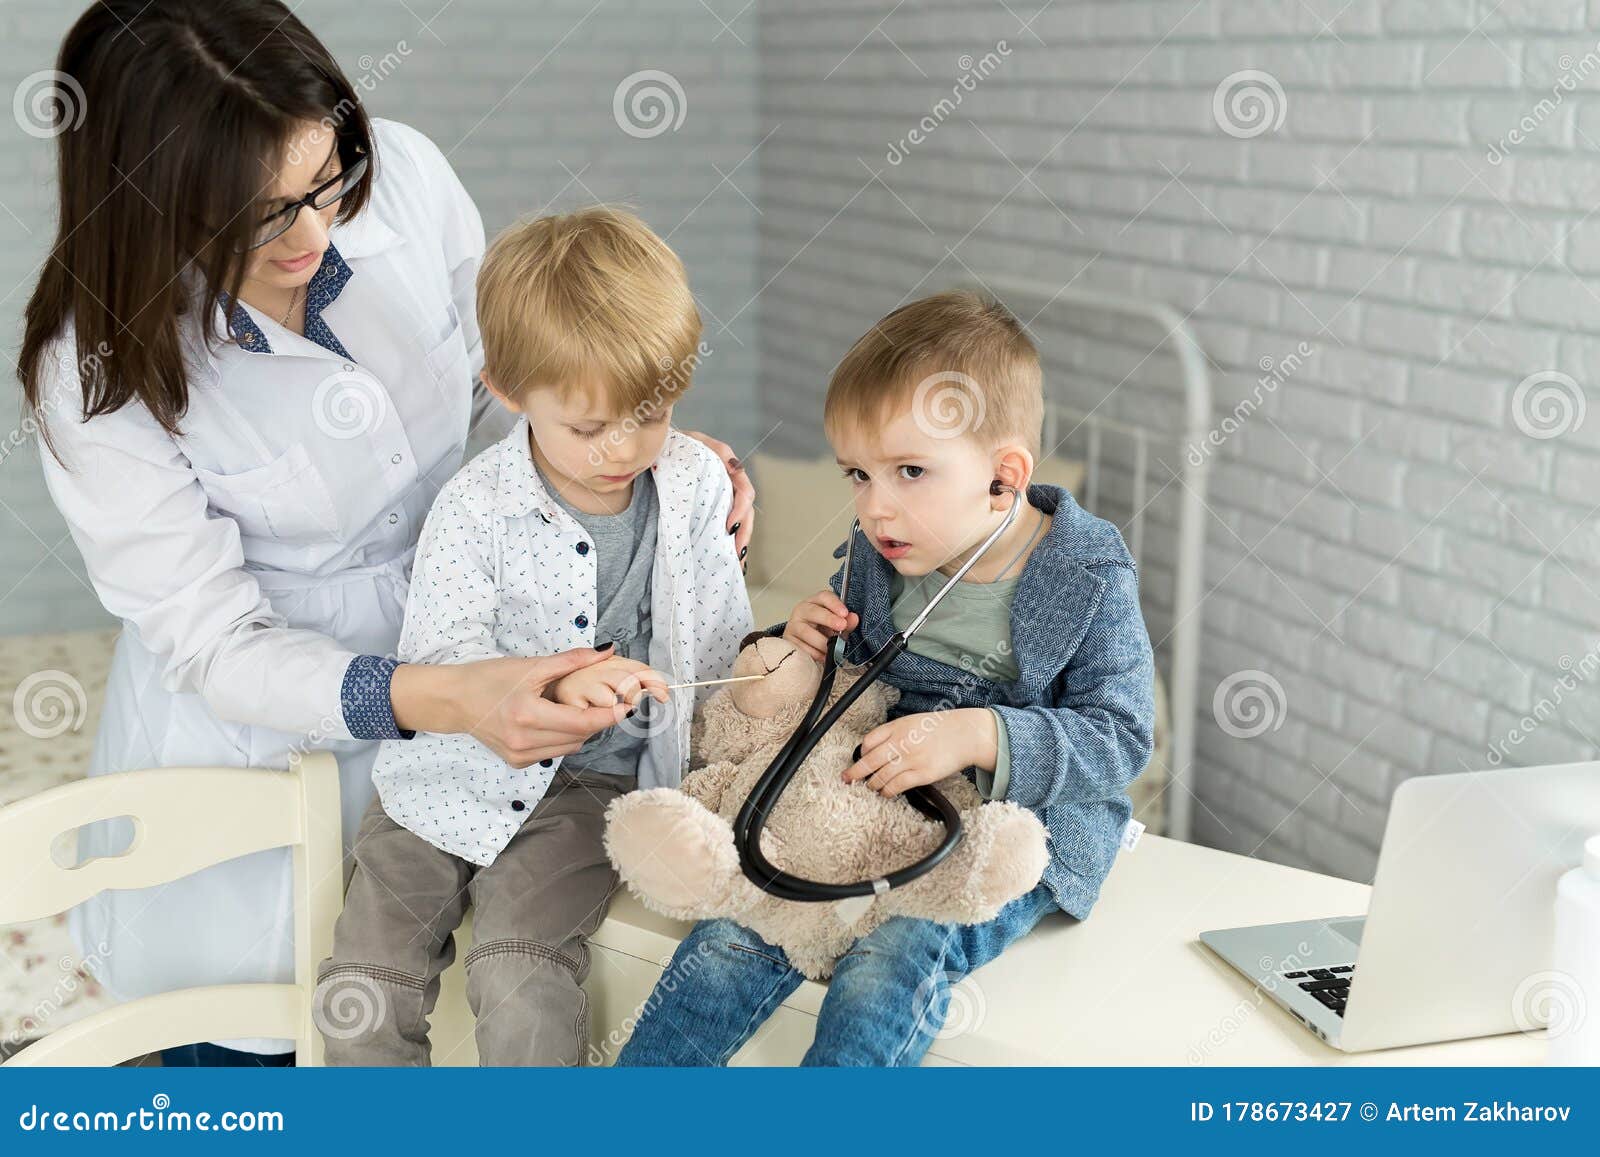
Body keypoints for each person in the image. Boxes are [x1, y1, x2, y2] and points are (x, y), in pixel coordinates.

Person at [17, 0, 753, 1066]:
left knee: (506, 993)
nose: (313, 236)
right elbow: (219, 643)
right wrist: (447, 696)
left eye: (322, 184)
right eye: (257, 216)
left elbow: (507, 394)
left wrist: (631, 449)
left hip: (493, 667)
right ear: (151, 202)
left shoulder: (400, 174)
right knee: (279, 1048)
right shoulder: (92, 372)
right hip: (270, 743)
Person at [614, 290, 1156, 1066]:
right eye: (859, 475)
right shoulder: (885, 547)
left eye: (908, 470)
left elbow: (1122, 735)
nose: (875, 506)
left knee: (889, 963)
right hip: (863, 801)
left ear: (1003, 479)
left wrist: (976, 732)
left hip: (1003, 824)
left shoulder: (1087, 570)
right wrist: (799, 639)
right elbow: (853, 669)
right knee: (729, 941)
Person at [314, 207, 753, 1065]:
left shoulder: (695, 482)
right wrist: (551, 689)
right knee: (362, 986)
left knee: (519, 975)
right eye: (588, 428)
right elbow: (442, 663)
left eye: (651, 413)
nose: (621, 448)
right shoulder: (475, 507)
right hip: (438, 779)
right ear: (511, 393)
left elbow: (720, 649)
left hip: (589, 789)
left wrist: (774, 678)